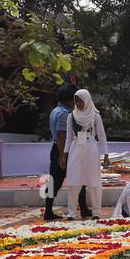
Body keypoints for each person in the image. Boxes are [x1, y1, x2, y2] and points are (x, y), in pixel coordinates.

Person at [60, 88, 108, 219]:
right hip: (76, 149)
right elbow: (68, 138)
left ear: (86, 100)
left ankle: (96, 212)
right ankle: (71, 213)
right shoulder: (71, 116)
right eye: (76, 101)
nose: (78, 104)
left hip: (91, 148)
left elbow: (102, 136)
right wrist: (64, 155)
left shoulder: (95, 116)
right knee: (73, 181)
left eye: (80, 101)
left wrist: (106, 154)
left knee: (94, 181)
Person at [44, 85, 85, 220]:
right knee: (77, 178)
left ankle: (48, 210)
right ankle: (84, 209)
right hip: (63, 149)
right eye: (75, 99)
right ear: (70, 99)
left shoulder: (56, 110)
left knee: (53, 181)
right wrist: (63, 155)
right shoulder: (65, 114)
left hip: (56, 148)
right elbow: (62, 135)